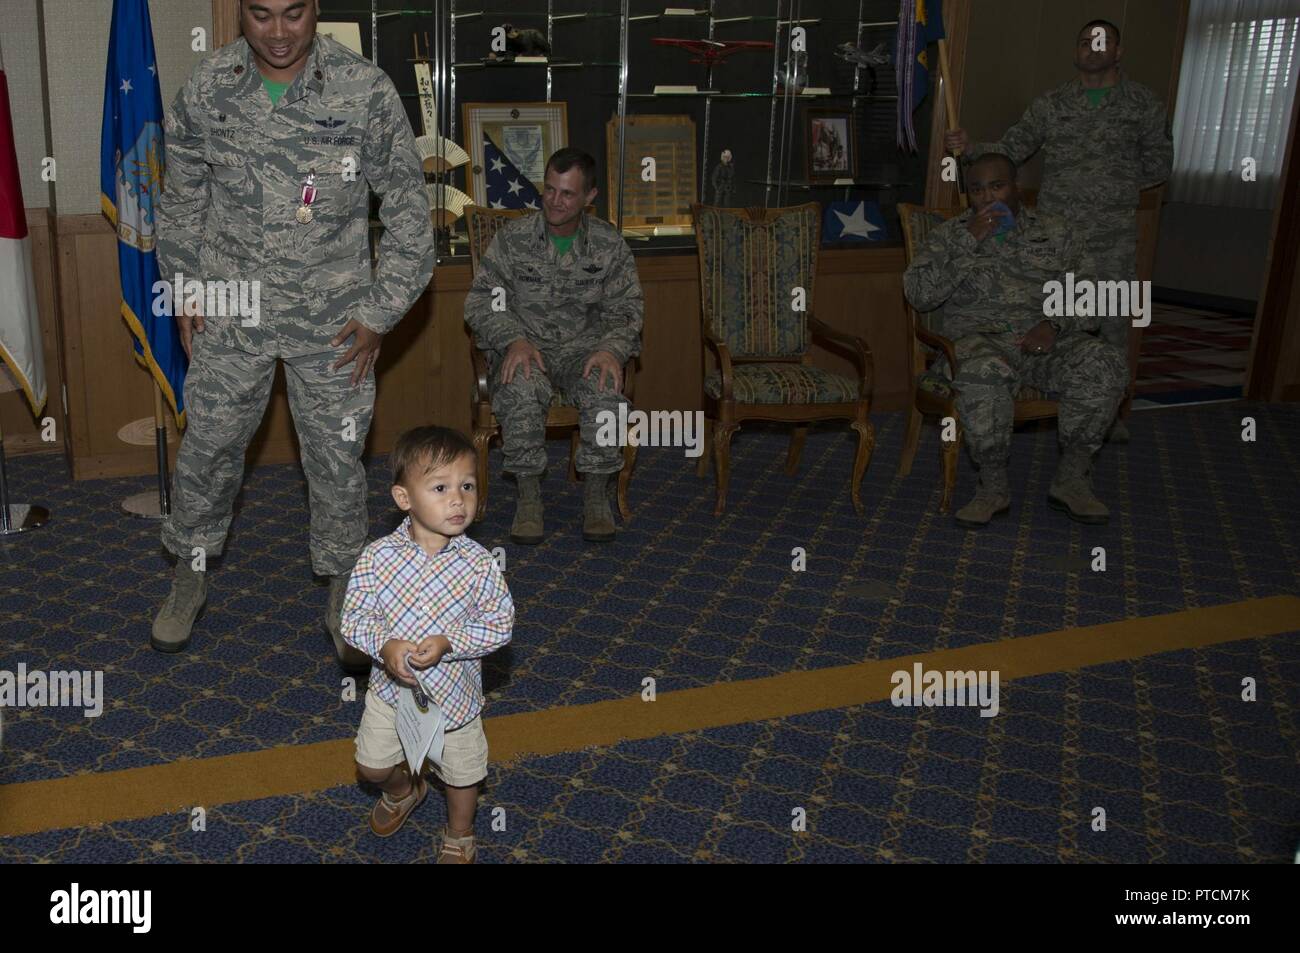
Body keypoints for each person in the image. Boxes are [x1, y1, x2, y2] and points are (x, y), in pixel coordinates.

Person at [152, 0, 435, 668]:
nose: (278, 32)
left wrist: (378, 311)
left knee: (336, 463)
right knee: (209, 450)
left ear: (315, 10)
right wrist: (186, 287)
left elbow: (408, 213)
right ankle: (190, 574)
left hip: (333, 320)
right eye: (260, 14)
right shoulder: (208, 85)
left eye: (293, 13)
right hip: (232, 313)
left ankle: (343, 590)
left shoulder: (364, 89)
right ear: (241, 14)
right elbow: (182, 198)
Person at [945, 19, 1173, 444]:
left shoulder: (1143, 104)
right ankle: (1042, 397)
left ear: (1119, 52)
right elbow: (1011, 150)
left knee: (1110, 319)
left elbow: (1158, 165)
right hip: (1055, 234)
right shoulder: (1052, 103)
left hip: (1112, 236)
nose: (1093, 48)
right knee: (1050, 314)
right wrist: (970, 148)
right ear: (1076, 51)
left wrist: (1111, 189)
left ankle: (1109, 410)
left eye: (1102, 42)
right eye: (1086, 41)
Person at [903, 153, 1127, 527]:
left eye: (997, 186)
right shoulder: (950, 235)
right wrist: (967, 242)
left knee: (1104, 363)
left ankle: (1072, 478)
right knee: (983, 372)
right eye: (977, 190)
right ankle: (992, 485)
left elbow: (1090, 295)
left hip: (1045, 343)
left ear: (1015, 186)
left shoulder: (1057, 232)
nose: (988, 197)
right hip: (979, 342)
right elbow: (918, 295)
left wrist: (1054, 325)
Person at [344, 426, 513, 864]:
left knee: (463, 777)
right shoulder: (377, 557)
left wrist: (449, 642)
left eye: (468, 486)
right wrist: (383, 646)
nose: (458, 499)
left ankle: (460, 833)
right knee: (371, 766)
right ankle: (405, 791)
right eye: (441, 487)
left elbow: (500, 624)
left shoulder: (480, 564)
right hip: (391, 696)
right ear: (404, 498)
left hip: (455, 701)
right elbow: (353, 618)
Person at [463, 147, 644, 544]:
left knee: (605, 390)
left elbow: (627, 309)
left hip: (585, 351)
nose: (555, 201)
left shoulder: (608, 244)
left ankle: (597, 494)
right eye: (549, 190)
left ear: (590, 197)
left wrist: (611, 349)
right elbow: (480, 301)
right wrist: (513, 340)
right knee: (521, 387)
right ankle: (529, 497)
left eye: (567, 194)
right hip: (529, 349)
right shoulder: (513, 241)